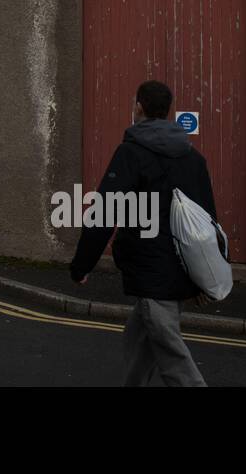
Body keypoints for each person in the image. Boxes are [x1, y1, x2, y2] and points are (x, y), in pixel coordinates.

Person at [69, 79, 218, 387]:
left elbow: (105, 212)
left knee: (168, 346)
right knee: (139, 340)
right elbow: (208, 220)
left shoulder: (131, 153)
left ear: (139, 107)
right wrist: (209, 273)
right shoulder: (193, 158)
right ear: (167, 110)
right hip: (182, 266)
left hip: (152, 268)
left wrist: (82, 264)